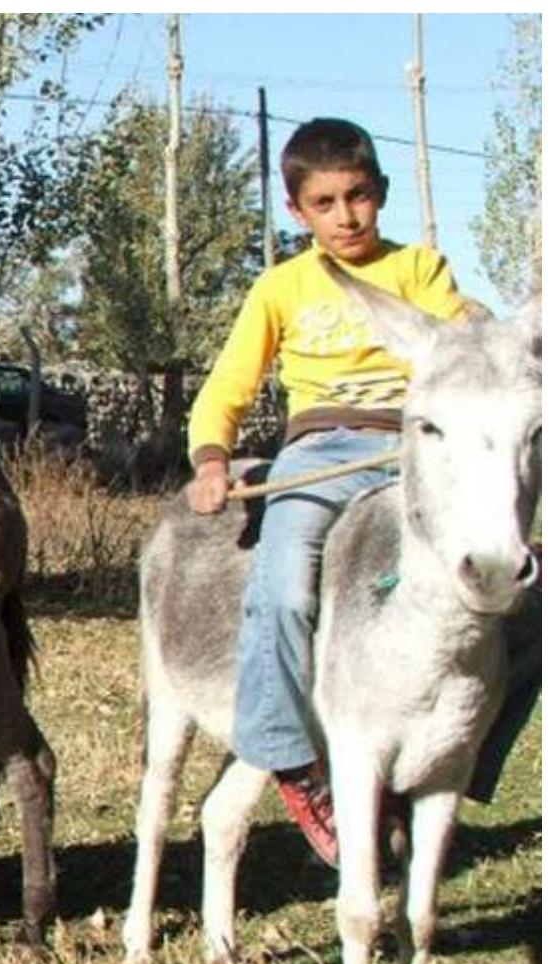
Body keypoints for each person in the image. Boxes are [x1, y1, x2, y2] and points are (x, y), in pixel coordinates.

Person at [185, 117, 469, 868]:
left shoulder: (421, 271)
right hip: (320, 449)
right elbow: (225, 391)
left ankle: (453, 753)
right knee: (279, 590)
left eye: (358, 196)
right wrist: (212, 459)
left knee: (514, 596)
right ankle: (293, 762)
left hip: (412, 452)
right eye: (324, 203)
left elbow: (471, 350)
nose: (345, 217)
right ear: (296, 210)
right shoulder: (281, 287)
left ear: (380, 193)